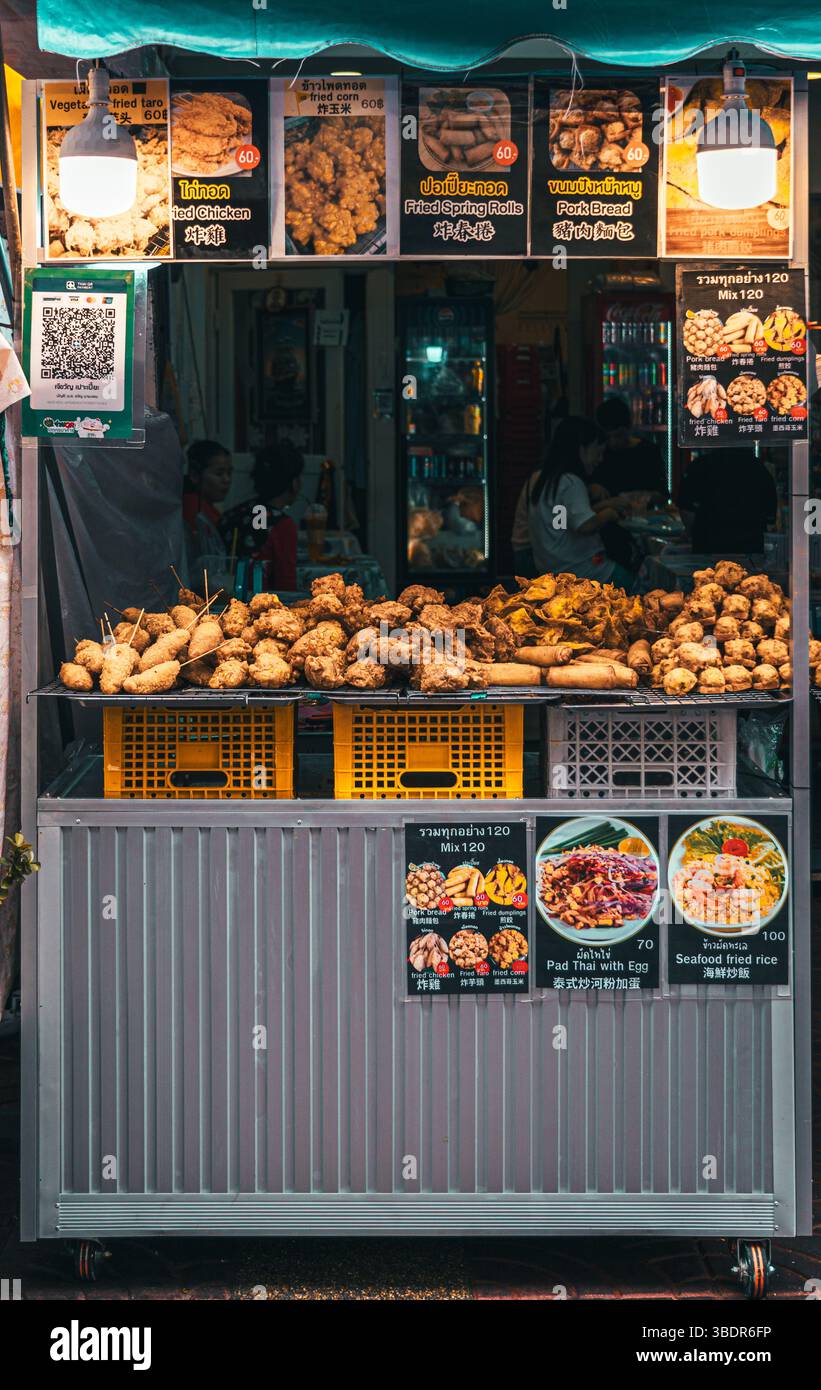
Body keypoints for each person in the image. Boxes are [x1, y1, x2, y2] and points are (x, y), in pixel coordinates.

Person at [527, 415, 635, 586]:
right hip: (583, 570)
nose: (599, 460)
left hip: (551, 567)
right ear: (580, 449)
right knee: (636, 586)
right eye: (597, 452)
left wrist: (602, 505)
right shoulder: (571, 482)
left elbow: (560, 523)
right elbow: (585, 525)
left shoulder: (540, 478)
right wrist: (609, 514)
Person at [678, 448, 777, 554]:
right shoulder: (759, 468)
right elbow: (770, 516)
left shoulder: (701, 465)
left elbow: (686, 508)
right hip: (750, 549)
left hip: (708, 546)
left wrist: (690, 531)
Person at [253, 441, 305, 591]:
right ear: (294, 483)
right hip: (262, 602)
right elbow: (286, 581)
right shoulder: (283, 525)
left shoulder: (236, 513)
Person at [593, 395, 667, 499]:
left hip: (642, 513)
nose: (612, 442)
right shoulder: (600, 454)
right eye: (608, 437)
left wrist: (640, 496)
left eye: (618, 436)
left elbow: (662, 494)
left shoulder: (648, 452)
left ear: (629, 429)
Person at [182, 439, 233, 561]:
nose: (227, 480)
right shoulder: (193, 509)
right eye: (219, 474)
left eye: (229, 473)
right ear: (195, 475)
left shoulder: (208, 509)